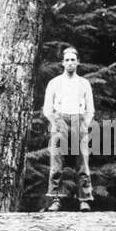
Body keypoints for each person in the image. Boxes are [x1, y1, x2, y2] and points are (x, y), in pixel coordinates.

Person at [42, 46, 95, 211]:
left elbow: (90, 108)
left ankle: (84, 199)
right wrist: (56, 123)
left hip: (78, 120)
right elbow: (47, 108)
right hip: (60, 120)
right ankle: (55, 199)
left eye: (73, 60)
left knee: (82, 163)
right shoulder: (55, 83)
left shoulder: (84, 83)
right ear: (62, 63)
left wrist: (84, 123)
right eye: (67, 60)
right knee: (57, 163)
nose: (70, 63)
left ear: (78, 62)